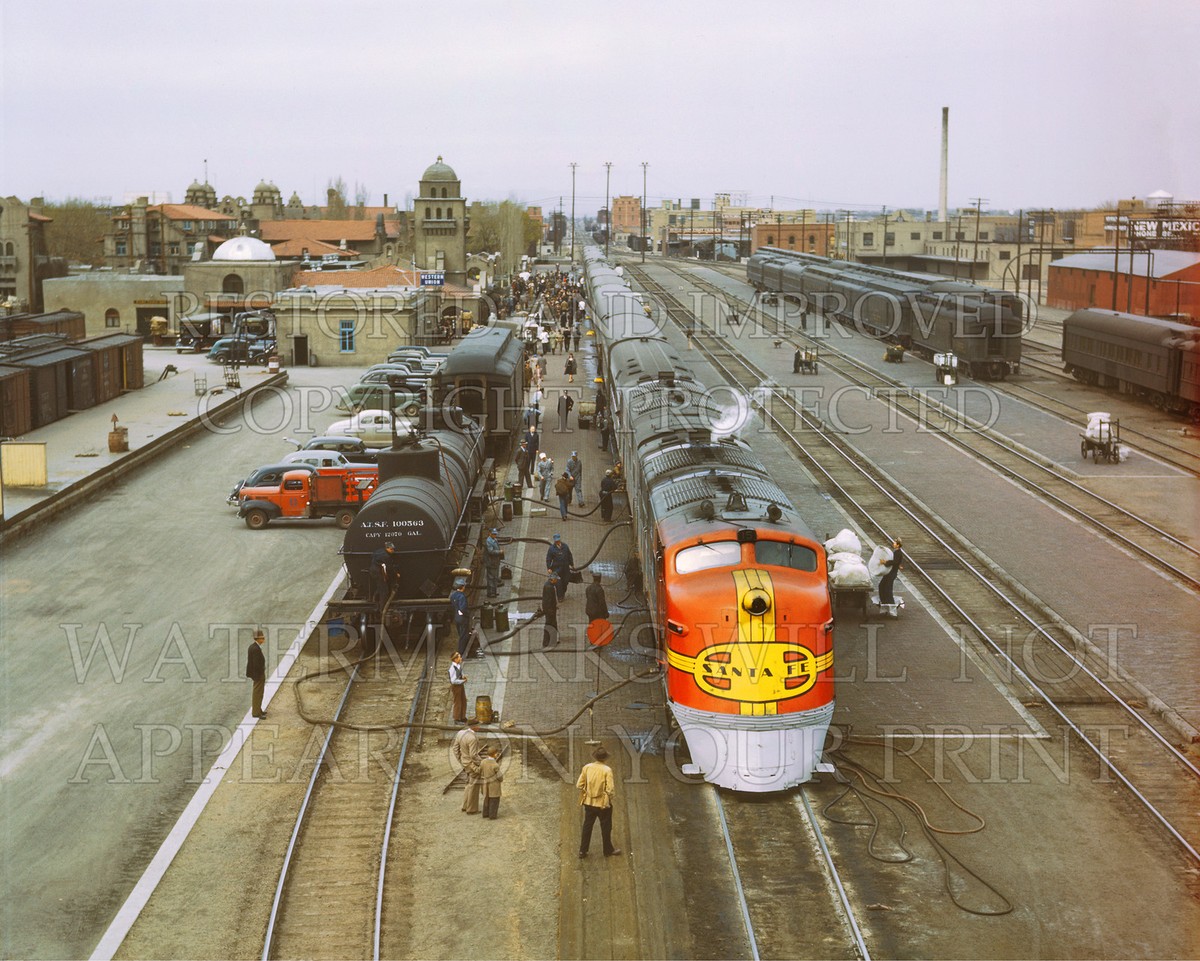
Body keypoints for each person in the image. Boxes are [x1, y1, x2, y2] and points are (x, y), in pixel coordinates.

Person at [577, 746, 621, 858]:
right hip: (603, 805)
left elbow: (579, 785)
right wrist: (609, 798)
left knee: (587, 826)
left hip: (588, 802)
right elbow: (610, 790)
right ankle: (607, 850)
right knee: (606, 827)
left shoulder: (587, 767)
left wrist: (589, 791)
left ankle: (582, 851)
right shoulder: (607, 770)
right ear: (605, 758)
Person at [451, 722, 483, 814]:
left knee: (468, 784)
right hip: (472, 764)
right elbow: (473, 755)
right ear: (474, 726)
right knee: (474, 786)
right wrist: (481, 763)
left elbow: (455, 749)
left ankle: (464, 806)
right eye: (478, 725)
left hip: (465, 763)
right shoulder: (472, 738)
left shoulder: (460, 733)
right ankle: (472, 809)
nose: (479, 727)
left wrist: (461, 760)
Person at [246, 629, 267, 719]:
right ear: (258, 639)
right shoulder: (256, 649)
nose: (263, 639)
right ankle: (256, 713)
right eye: (262, 638)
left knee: (258, 693)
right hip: (258, 675)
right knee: (258, 693)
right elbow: (256, 664)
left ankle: (258, 709)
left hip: (256, 674)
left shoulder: (253, 646)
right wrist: (259, 675)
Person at [546, 534, 574, 600]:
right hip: (556, 569)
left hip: (565, 568)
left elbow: (569, 555)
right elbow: (548, 559)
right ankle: (560, 597)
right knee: (558, 583)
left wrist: (572, 564)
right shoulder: (551, 549)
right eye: (556, 541)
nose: (557, 542)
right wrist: (549, 568)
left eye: (558, 540)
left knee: (565, 582)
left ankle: (562, 592)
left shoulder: (565, 546)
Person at [449, 574, 471, 657]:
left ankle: (463, 649)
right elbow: (463, 608)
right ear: (462, 587)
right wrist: (467, 614)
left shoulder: (453, 596)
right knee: (463, 635)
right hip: (462, 618)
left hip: (456, 618)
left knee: (460, 633)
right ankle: (461, 652)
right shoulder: (462, 596)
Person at [878, 538, 904, 608]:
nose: (893, 544)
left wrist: (885, 562)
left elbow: (894, 562)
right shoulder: (896, 552)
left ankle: (890, 604)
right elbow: (896, 562)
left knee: (887, 588)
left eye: (894, 543)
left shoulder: (898, 553)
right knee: (884, 586)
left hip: (891, 573)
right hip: (889, 572)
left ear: (898, 545)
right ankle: (885, 601)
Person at [480, 745, 503, 819]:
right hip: (494, 785)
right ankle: (492, 815)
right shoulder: (495, 765)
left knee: (486, 798)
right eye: (497, 753)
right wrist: (501, 779)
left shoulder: (483, 762)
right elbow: (499, 777)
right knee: (494, 800)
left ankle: (485, 813)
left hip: (485, 783)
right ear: (495, 754)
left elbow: (480, 770)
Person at [539, 570, 559, 647]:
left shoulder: (550, 585)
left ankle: (553, 640)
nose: (557, 580)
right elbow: (548, 600)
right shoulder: (549, 587)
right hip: (549, 610)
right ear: (553, 579)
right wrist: (550, 610)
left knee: (553, 624)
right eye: (556, 579)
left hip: (551, 609)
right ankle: (546, 642)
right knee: (549, 625)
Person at [448, 651, 468, 723]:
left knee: (463, 700)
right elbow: (453, 681)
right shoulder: (453, 668)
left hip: (460, 686)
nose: (461, 658)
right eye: (459, 657)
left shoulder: (458, 666)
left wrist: (463, 676)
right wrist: (462, 681)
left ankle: (462, 717)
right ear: (455, 659)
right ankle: (456, 718)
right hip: (456, 687)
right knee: (457, 702)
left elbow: (460, 673)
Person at [484, 528, 503, 598]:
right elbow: (490, 551)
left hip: (495, 562)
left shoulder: (494, 540)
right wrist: (499, 552)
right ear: (490, 533)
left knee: (495, 577)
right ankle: (490, 593)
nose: (495, 535)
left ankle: (494, 592)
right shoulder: (488, 541)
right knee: (491, 578)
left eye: (495, 534)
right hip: (491, 563)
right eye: (493, 534)